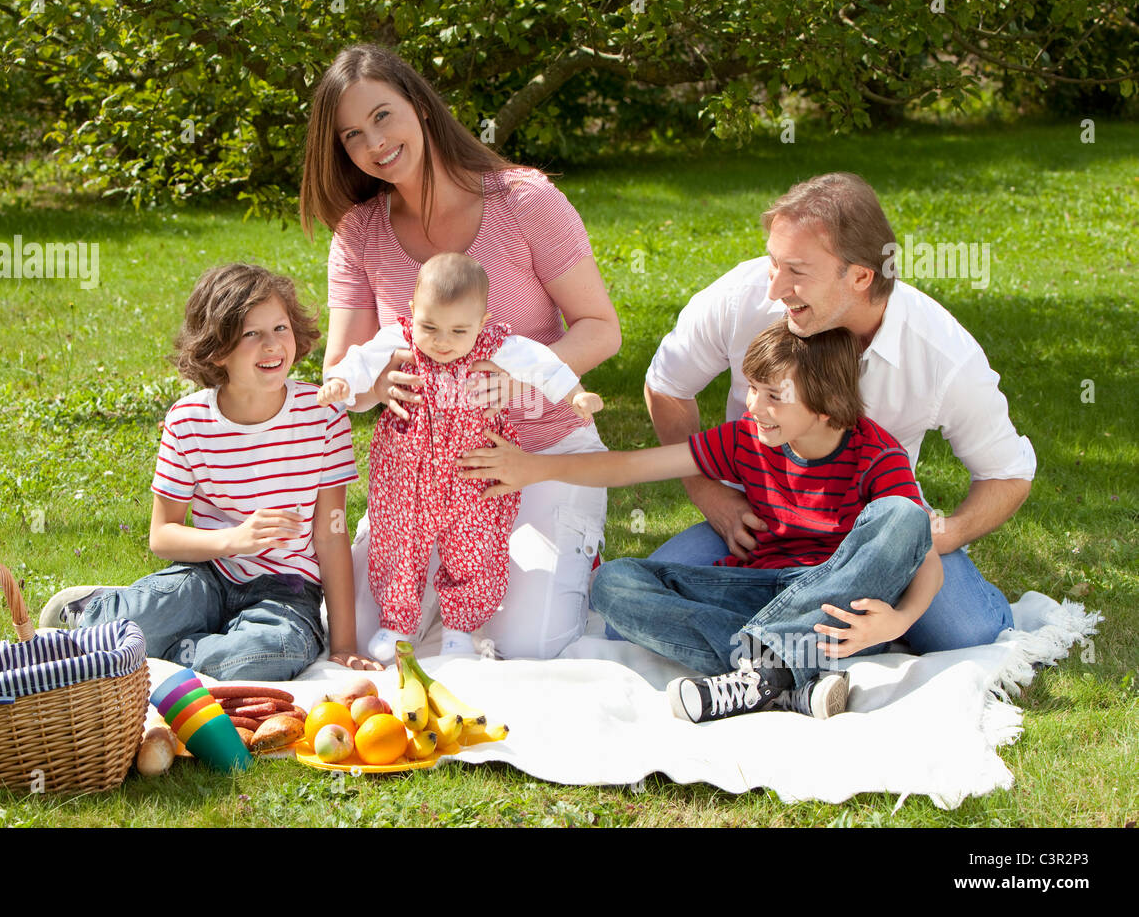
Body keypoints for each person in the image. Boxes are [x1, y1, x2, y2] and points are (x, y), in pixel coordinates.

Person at [299, 43, 621, 660]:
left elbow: (600, 327)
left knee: (522, 644)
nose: (373, 143)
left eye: (384, 116)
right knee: (366, 631)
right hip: (425, 474)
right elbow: (343, 374)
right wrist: (374, 388)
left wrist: (516, 380)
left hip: (547, 452)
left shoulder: (525, 201)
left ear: (419, 106)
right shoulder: (360, 233)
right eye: (352, 135)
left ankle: (575, 555)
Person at [459, 320, 942, 722]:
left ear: (824, 403)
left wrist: (896, 622)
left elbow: (928, 561)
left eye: (774, 395)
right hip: (759, 591)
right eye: (752, 389)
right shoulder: (747, 437)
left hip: (831, 601)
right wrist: (534, 467)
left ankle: (762, 672)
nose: (754, 407)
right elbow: (633, 466)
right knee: (614, 582)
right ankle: (783, 678)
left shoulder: (877, 454)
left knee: (903, 516)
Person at [642, 172, 1034, 653]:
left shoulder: (942, 355)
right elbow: (666, 387)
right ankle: (781, 645)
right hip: (762, 523)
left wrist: (944, 535)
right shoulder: (738, 298)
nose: (774, 288)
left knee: (968, 635)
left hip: (875, 542)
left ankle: (789, 632)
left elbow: (1007, 474)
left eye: (797, 271)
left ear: (861, 275)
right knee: (632, 614)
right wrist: (710, 497)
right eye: (773, 263)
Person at [39, 263, 381, 678]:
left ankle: (159, 648)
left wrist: (342, 645)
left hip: (287, 591)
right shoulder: (188, 421)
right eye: (251, 334)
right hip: (206, 574)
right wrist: (233, 539)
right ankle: (101, 611)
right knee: (120, 623)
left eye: (280, 328)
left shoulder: (322, 416)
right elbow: (162, 535)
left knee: (267, 654)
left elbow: (331, 533)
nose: (272, 346)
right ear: (218, 348)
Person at [319, 252, 603, 662]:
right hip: (408, 477)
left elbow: (543, 364)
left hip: (472, 475)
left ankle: (460, 627)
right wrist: (341, 381)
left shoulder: (498, 345)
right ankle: (397, 622)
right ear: (412, 310)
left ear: (482, 323)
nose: (441, 341)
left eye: (458, 330)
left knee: (473, 547)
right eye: (429, 326)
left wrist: (573, 394)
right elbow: (360, 359)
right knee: (397, 545)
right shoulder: (400, 337)